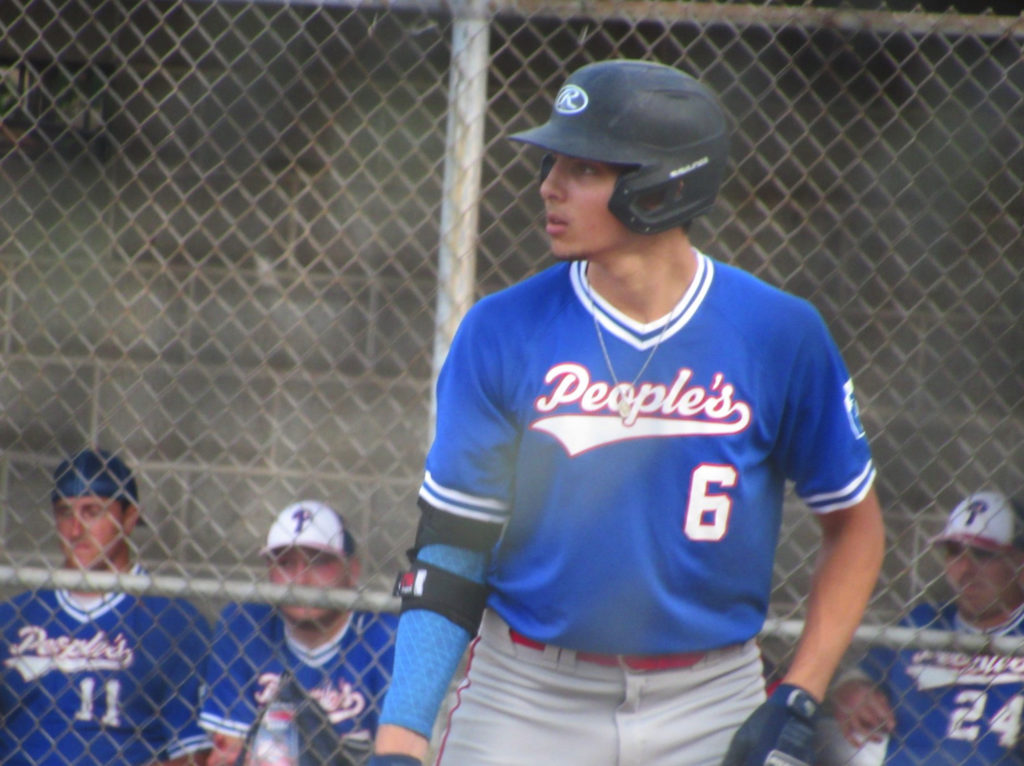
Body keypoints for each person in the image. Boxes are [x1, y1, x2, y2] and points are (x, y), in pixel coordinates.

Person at [370, 59, 885, 766]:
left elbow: (855, 526)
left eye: (583, 168)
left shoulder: (779, 334)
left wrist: (797, 693)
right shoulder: (501, 329)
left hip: (710, 697)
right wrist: (401, 736)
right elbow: (453, 545)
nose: (548, 186)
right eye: (553, 162)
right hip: (527, 691)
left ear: (664, 184)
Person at [0, 448, 212, 765]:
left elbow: (193, 755)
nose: (75, 530)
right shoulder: (13, 618)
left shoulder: (174, 623)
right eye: (65, 513)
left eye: (92, 511)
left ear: (128, 518)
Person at [826, 489, 1024, 765]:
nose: (965, 569)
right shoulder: (923, 621)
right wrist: (851, 692)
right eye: (955, 552)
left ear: (1020, 564)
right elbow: (859, 677)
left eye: (982, 555)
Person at [201, 500, 397, 766]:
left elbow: (397, 755)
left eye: (318, 562)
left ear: (352, 570)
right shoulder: (243, 624)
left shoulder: (386, 637)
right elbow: (226, 756)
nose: (300, 579)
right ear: (270, 571)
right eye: (285, 563)